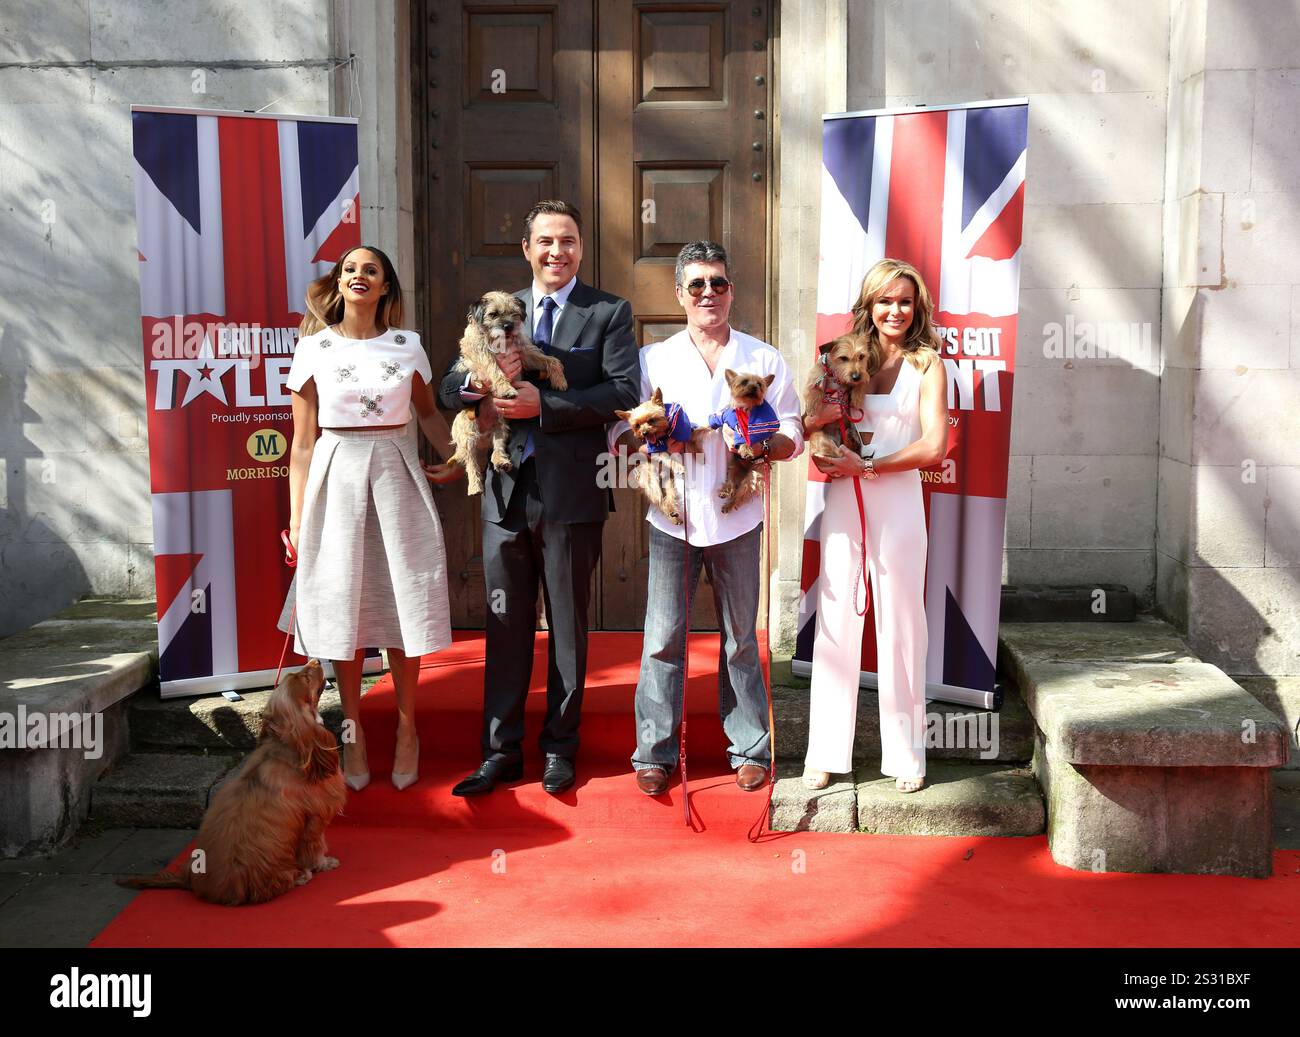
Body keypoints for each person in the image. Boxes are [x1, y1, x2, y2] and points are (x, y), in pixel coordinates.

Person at [435, 200, 639, 796]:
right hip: (502, 494)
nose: (558, 251)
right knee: (504, 625)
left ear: (580, 248)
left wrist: (542, 407)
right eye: (546, 241)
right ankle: (499, 752)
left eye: (569, 241)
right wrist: (473, 384)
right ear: (526, 248)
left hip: (571, 494)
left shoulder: (608, 312)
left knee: (568, 630)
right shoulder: (495, 311)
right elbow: (449, 386)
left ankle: (560, 748)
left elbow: (623, 391)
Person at [609, 240, 803, 796]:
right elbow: (619, 433)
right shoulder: (652, 359)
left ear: (731, 290)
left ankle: (748, 747)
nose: (708, 293)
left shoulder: (762, 358)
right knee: (663, 637)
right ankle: (654, 753)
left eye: (717, 282)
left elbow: (792, 430)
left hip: (738, 517)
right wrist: (653, 434)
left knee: (741, 637)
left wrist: (767, 445)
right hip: (672, 517)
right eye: (696, 285)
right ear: (679, 294)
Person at [279, 245, 454, 792]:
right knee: (345, 609)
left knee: (402, 604)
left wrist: (459, 458)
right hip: (335, 480)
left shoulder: (408, 346)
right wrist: (299, 521)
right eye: (350, 269)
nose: (358, 276)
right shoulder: (313, 347)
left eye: (370, 270)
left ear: (385, 288)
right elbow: (302, 445)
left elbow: (426, 412)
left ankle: (407, 728)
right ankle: (351, 730)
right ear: (340, 282)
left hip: (396, 475)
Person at [801, 258, 949, 794]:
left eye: (905, 301)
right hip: (844, 498)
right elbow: (809, 419)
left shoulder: (928, 364)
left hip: (899, 502)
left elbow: (935, 446)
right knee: (836, 619)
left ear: (918, 308)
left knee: (903, 622)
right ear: (868, 304)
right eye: (885, 300)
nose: (895, 310)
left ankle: (907, 754)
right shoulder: (841, 355)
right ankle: (825, 752)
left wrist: (867, 465)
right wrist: (816, 430)